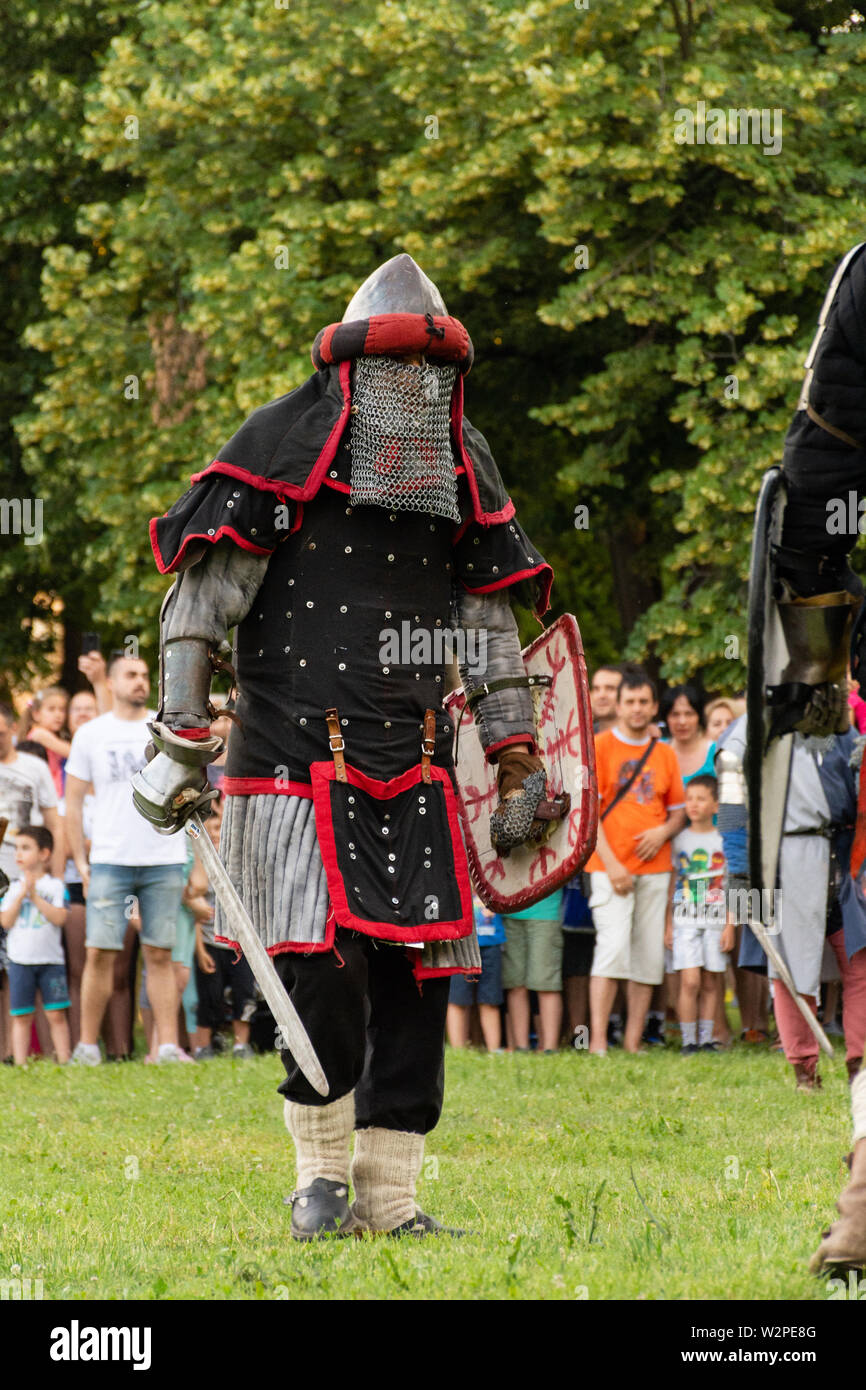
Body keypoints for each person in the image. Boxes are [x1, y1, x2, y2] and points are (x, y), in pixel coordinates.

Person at [132, 253, 563, 1238]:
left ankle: (390, 1198)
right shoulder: (278, 450)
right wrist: (183, 736)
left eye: (433, 375)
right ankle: (318, 1180)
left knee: (416, 985)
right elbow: (196, 608)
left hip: (409, 760)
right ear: (357, 368)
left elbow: (488, 633)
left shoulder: (459, 469)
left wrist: (513, 755)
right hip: (289, 760)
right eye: (400, 372)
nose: (417, 394)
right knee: (317, 972)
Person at [64, 655, 190, 1064]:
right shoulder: (90, 734)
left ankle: (168, 1047)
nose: (140, 683)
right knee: (100, 951)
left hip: (164, 857)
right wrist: (82, 866)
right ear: (112, 682)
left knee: (160, 953)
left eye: (144, 676)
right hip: (109, 858)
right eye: (131, 676)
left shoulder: (164, 730)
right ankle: (86, 1048)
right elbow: (73, 801)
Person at [585, 666, 687, 1055]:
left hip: (656, 867)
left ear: (653, 706)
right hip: (608, 868)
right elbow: (588, 814)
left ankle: (632, 1043)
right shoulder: (600, 746)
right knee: (611, 952)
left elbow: (677, 810)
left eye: (644, 701)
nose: (637, 708)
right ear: (620, 704)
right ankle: (597, 1043)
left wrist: (662, 833)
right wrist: (612, 864)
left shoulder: (664, 754)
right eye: (631, 701)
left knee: (647, 957)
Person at [665, 775, 732, 1054]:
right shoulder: (678, 840)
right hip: (684, 921)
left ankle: (706, 1039)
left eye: (701, 798)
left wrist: (730, 925)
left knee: (710, 982)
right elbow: (671, 883)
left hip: (715, 920)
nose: (693, 804)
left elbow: (731, 885)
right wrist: (667, 923)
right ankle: (688, 1040)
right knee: (690, 980)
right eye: (689, 798)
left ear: (715, 805)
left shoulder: (723, 840)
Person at [187, 794, 256, 1060]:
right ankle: (204, 1046)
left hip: (241, 945)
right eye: (213, 830)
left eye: (222, 830)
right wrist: (198, 948)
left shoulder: (243, 866)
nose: (218, 835)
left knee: (244, 994)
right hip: (209, 942)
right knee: (209, 995)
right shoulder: (202, 868)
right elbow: (196, 913)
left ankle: (241, 1046)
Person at [0, 827, 70, 1065]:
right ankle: (20, 1064)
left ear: (44, 853)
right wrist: (21, 896)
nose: (18, 854)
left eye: (26, 848)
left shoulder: (55, 887)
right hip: (20, 962)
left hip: (51, 962)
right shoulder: (12, 889)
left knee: (56, 1013)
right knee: (21, 1015)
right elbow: (5, 921)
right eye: (17, 848)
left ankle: (64, 1059)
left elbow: (60, 918)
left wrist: (36, 897)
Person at [501, 887, 564, 1052]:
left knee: (546, 983)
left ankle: (550, 1048)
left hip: (546, 912)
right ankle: (522, 1047)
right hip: (509, 909)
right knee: (515, 983)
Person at [446, 895, 505, 1052]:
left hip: (491, 942)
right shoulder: (453, 874)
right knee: (457, 999)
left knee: (490, 999)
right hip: (460, 942)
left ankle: (494, 1050)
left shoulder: (493, 878)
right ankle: (458, 1051)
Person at [18, 687, 70, 797]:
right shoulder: (39, 734)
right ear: (36, 714)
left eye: (62, 710)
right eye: (51, 709)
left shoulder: (54, 735)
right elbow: (71, 753)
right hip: (47, 793)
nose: (58, 715)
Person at [590, 664, 621, 734]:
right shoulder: (580, 737)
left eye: (610, 688)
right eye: (596, 689)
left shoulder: (645, 738)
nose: (601, 695)